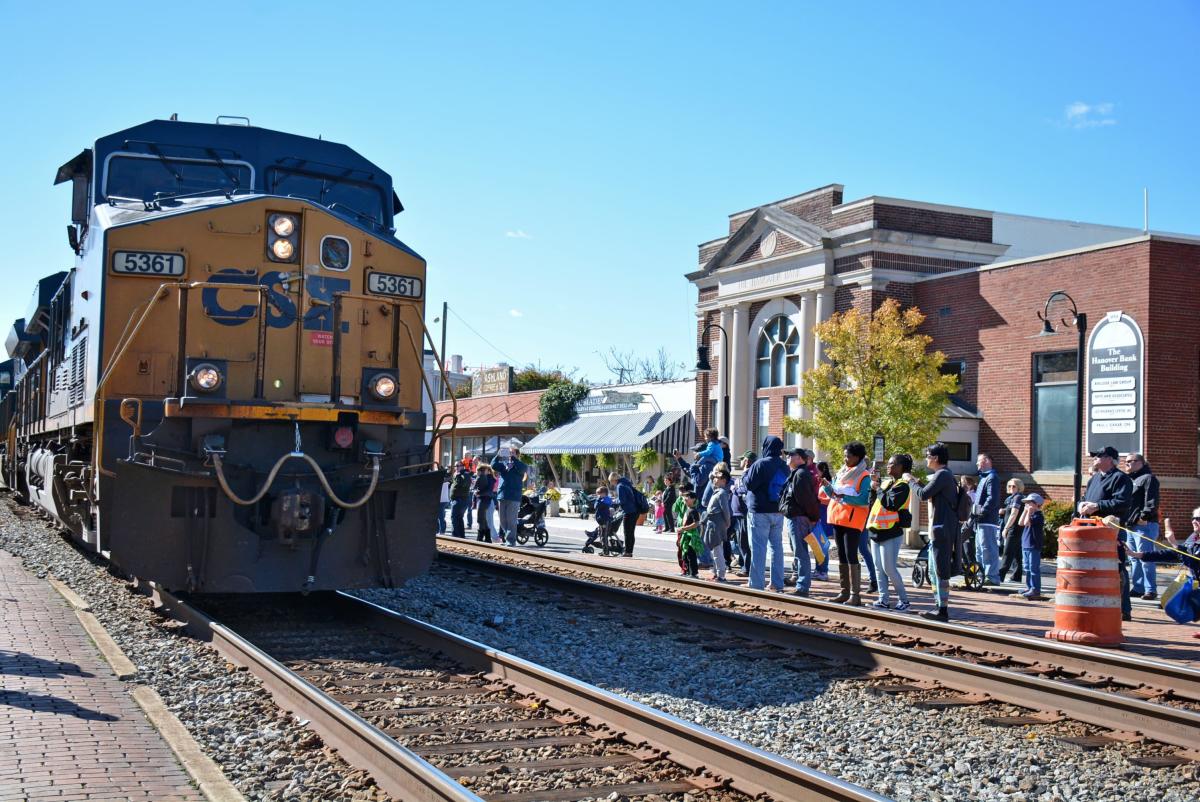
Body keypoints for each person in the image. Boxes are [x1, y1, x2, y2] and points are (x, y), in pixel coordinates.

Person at [1079, 445, 1133, 620]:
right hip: (1091, 530)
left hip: (1111, 531)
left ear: (1110, 459)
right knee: (1093, 569)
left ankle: (1123, 608)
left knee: (1115, 568)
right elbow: (1085, 498)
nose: (1094, 459)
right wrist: (1081, 505)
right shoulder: (1094, 479)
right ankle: (1096, 603)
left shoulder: (1121, 479)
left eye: (1098, 456)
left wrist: (1098, 506)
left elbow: (1122, 502)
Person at [1128, 509, 1200, 637]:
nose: (1194, 521)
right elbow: (1172, 555)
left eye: (1198, 519)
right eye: (1193, 518)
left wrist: (1174, 543)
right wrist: (1139, 555)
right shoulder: (1194, 537)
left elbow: (1194, 562)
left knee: (1193, 600)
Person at [823, 442, 872, 606]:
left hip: (853, 520)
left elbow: (863, 499)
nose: (845, 459)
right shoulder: (841, 472)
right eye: (844, 456)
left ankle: (855, 595)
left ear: (858, 457)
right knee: (842, 555)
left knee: (851, 554)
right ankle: (844, 592)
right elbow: (834, 494)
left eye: (848, 456)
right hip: (838, 517)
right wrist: (828, 487)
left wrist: (843, 498)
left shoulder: (864, 475)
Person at [867, 453, 913, 611]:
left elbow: (890, 504)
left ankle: (904, 600)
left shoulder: (903, 486)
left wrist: (878, 488)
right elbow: (874, 501)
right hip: (876, 530)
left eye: (892, 464)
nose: (888, 466)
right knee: (878, 568)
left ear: (900, 467)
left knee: (889, 568)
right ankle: (883, 600)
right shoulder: (887, 483)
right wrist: (874, 487)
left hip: (891, 532)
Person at [917, 443, 958, 621]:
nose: (926, 458)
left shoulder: (942, 474)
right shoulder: (943, 475)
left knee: (940, 571)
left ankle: (943, 611)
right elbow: (929, 490)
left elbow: (923, 494)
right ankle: (938, 607)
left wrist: (911, 480)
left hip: (942, 529)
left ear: (935, 458)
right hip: (940, 529)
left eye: (928, 455)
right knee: (934, 571)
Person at [744, 437, 789, 591]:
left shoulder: (760, 464)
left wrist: (745, 472)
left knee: (758, 548)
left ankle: (756, 584)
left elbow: (749, 484)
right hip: (778, 511)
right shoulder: (784, 466)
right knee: (776, 547)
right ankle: (777, 583)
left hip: (759, 511)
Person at [780, 448, 820, 597]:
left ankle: (803, 586)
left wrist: (813, 517)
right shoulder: (797, 473)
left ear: (800, 458)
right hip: (797, 517)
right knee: (798, 551)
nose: (788, 457)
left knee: (801, 552)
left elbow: (806, 499)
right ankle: (800, 582)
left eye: (791, 455)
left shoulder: (801, 475)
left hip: (799, 518)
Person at [1124, 453, 1161, 601]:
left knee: (1145, 558)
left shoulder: (1148, 478)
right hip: (1130, 526)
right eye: (1125, 462)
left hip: (1144, 525)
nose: (1126, 464)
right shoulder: (1130, 479)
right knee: (1133, 559)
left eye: (1129, 462)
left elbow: (1152, 501)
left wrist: (1143, 517)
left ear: (1140, 462)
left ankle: (1150, 590)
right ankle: (1138, 588)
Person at [492, 446, 529, 546]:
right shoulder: (504, 465)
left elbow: (523, 468)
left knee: (511, 520)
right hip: (502, 495)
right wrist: (498, 455)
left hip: (513, 497)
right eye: (509, 453)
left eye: (512, 452)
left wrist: (514, 459)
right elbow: (493, 465)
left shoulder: (520, 465)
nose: (510, 454)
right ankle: (507, 538)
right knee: (503, 520)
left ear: (517, 454)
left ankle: (511, 541)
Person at [975, 454, 1002, 586]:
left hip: (987, 520)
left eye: (979, 462)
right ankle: (982, 574)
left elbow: (992, 498)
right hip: (980, 520)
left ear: (986, 461)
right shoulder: (984, 478)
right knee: (980, 550)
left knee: (988, 548)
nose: (977, 465)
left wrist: (982, 512)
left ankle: (992, 576)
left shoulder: (992, 478)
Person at [704, 470, 732, 582]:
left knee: (717, 549)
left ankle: (721, 575)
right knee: (714, 549)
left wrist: (727, 522)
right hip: (713, 522)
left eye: (718, 478)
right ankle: (716, 573)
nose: (715, 479)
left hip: (717, 522)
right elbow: (711, 477)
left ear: (724, 480)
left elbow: (726, 510)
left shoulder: (722, 493)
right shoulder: (717, 491)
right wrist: (713, 474)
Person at [1017, 493, 1047, 600]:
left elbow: (1026, 523)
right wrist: (1025, 511)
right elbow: (1020, 522)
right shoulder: (1029, 513)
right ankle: (1029, 587)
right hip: (1026, 544)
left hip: (1034, 544)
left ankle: (1035, 589)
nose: (1027, 505)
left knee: (1033, 568)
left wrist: (1029, 512)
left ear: (1036, 504)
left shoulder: (1039, 516)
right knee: (1027, 568)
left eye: (1029, 503)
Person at [998, 478, 1026, 583]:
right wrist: (1004, 511)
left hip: (1014, 528)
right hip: (1015, 528)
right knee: (1016, 553)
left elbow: (1014, 514)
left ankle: (1000, 575)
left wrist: (1006, 528)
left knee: (1007, 552)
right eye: (1009, 486)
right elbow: (1011, 511)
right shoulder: (1012, 498)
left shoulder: (1017, 497)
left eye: (1013, 486)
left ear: (1019, 487)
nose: (1011, 488)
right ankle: (1016, 576)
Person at [732, 452, 754, 576]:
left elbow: (745, 491)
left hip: (744, 513)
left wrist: (735, 489)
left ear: (746, 461)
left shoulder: (748, 474)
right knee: (740, 541)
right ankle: (743, 565)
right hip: (739, 513)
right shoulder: (745, 474)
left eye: (742, 459)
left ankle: (746, 568)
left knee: (744, 541)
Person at [812, 460, 833, 580]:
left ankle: (823, 570)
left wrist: (817, 499)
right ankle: (818, 569)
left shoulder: (827, 484)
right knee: (816, 544)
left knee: (822, 544)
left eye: (817, 470)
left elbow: (831, 499)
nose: (815, 473)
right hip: (818, 515)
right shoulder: (819, 483)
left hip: (824, 516)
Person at [611, 471, 639, 557]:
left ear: (613, 480)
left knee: (627, 532)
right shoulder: (626, 483)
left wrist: (613, 501)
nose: (612, 483)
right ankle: (630, 551)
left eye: (611, 481)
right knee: (631, 532)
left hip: (628, 511)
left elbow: (622, 500)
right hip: (635, 510)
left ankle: (627, 552)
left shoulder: (620, 486)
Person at [582, 486, 614, 553]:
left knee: (603, 536)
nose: (597, 495)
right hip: (602, 520)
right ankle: (592, 534)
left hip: (604, 520)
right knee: (601, 534)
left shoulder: (603, 501)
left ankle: (605, 551)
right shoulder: (605, 500)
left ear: (604, 494)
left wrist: (598, 499)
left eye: (599, 494)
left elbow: (595, 506)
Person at [677, 492, 702, 577]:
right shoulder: (687, 509)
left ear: (693, 499)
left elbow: (696, 523)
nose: (685, 498)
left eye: (688, 497)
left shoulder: (693, 511)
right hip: (685, 535)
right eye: (685, 497)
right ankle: (687, 571)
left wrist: (684, 528)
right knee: (685, 554)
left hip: (691, 536)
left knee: (691, 554)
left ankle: (694, 573)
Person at [474, 463, 497, 542]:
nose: (479, 472)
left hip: (485, 499)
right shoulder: (485, 477)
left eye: (480, 470)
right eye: (479, 470)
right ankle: (487, 537)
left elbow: (488, 491)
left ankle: (480, 537)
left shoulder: (488, 478)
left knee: (480, 518)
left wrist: (478, 493)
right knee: (483, 518)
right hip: (483, 499)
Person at [449, 464, 472, 538]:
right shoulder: (458, 475)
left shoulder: (465, 475)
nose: (456, 467)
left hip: (460, 499)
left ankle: (456, 535)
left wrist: (459, 475)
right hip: (458, 499)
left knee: (455, 517)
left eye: (458, 465)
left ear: (463, 466)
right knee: (458, 518)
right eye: (456, 466)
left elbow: (464, 484)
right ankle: (461, 536)